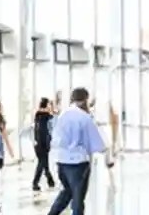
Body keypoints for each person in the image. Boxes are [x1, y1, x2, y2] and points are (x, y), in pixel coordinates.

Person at [48, 87, 109, 215]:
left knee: (66, 191)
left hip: (61, 162)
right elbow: (97, 143)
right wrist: (107, 154)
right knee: (78, 199)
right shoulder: (84, 118)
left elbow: (54, 138)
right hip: (78, 164)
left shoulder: (63, 115)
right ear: (85, 100)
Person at [33, 97, 57, 191]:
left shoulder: (37, 115)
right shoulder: (46, 116)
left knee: (44, 162)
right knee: (42, 162)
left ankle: (50, 180)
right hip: (43, 143)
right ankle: (35, 182)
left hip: (38, 143)